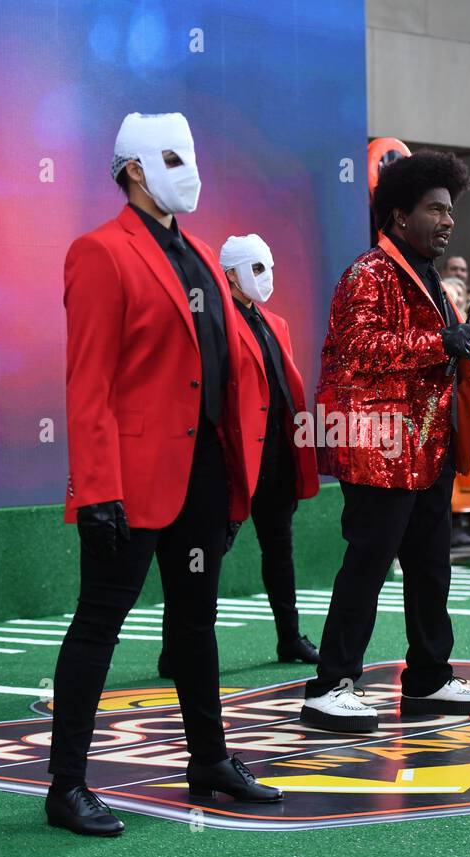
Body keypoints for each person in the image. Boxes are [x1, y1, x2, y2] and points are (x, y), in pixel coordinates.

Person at [47, 112, 280, 837]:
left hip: (204, 472)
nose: (193, 171)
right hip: (130, 477)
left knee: (196, 622)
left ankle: (208, 761)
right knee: (98, 625)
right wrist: (96, 486)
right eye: (175, 157)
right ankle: (66, 786)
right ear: (135, 169)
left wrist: (237, 470)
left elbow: (225, 365)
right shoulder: (98, 252)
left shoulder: (206, 254)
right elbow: (88, 382)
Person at [303, 150, 470, 732]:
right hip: (380, 449)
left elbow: (449, 356)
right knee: (367, 566)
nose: (448, 220)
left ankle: (429, 677)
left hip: (427, 452)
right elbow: (361, 352)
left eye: (450, 209)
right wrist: (443, 345)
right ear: (399, 215)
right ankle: (331, 684)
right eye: (435, 209)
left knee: (432, 571)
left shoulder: (428, 278)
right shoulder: (367, 274)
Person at [156, 234, 321, 679]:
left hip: (276, 458)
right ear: (230, 274)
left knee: (279, 550)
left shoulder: (275, 323)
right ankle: (176, 649)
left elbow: (285, 389)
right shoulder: (214, 321)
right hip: (231, 459)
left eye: (270, 267)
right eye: (257, 268)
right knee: (203, 557)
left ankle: (290, 635)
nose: (267, 278)